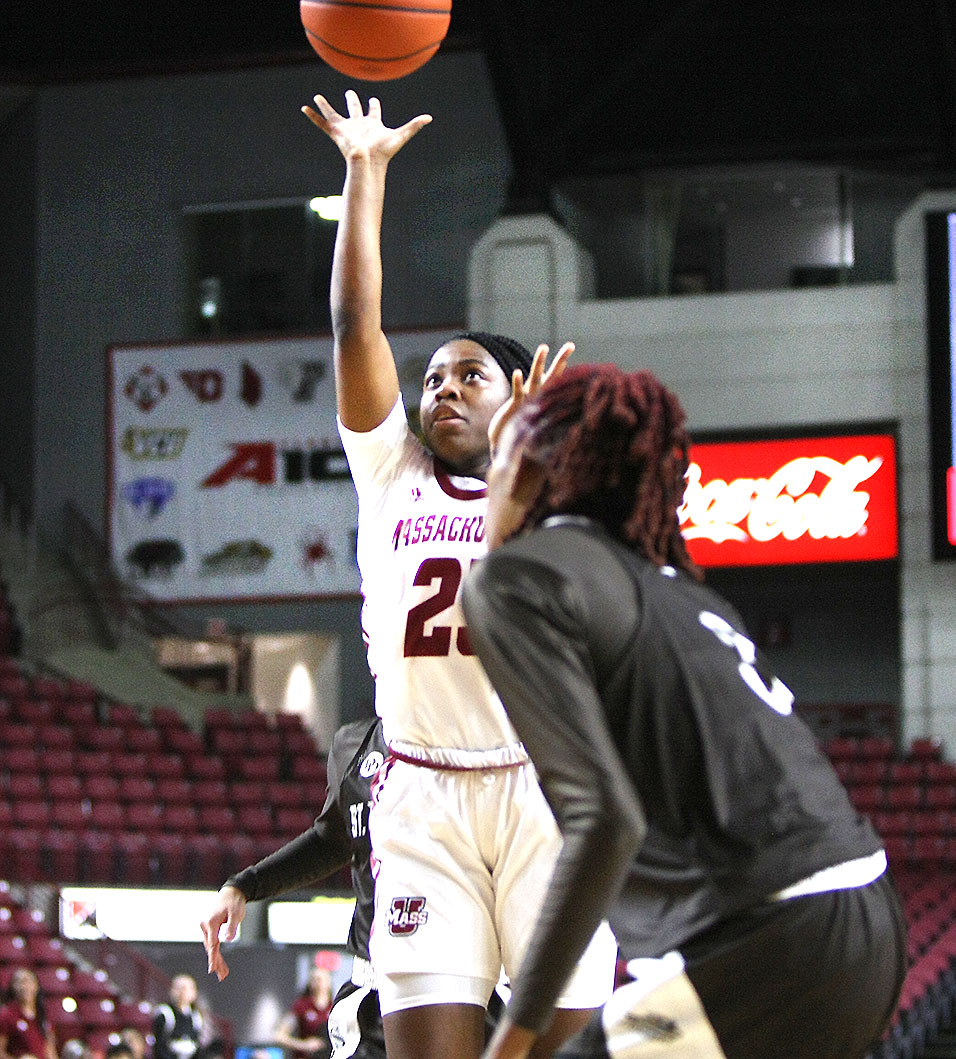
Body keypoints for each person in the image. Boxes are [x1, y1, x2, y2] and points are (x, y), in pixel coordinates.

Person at [294, 88, 617, 1059]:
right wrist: (364, 173)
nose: (440, 389)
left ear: (515, 393)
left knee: (560, 1038)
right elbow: (356, 325)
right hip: (421, 789)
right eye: (432, 377)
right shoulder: (391, 470)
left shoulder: (559, 495)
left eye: (466, 375)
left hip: (534, 787)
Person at [460, 362, 909, 1059]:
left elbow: (605, 818)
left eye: (499, 458)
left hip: (769, 942)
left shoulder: (519, 579)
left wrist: (512, 1040)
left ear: (525, 471)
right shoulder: (680, 591)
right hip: (867, 925)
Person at [201, 718, 390, 1059]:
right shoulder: (353, 744)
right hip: (376, 985)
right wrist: (243, 886)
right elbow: (332, 840)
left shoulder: (481, 733)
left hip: (467, 978)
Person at [0, 968, 58, 1059]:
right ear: (13, 987)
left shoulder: (43, 1015)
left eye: (29, 981)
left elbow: (50, 1049)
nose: (24, 987)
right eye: (20, 982)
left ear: (36, 985)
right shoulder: (7, 1015)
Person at [274, 968, 332, 1059]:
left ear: (329, 982)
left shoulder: (335, 1007)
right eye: (313, 979)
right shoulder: (301, 1006)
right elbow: (279, 1036)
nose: (317, 983)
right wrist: (303, 1045)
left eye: (320, 979)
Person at [151, 976, 203, 1059]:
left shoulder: (196, 1017)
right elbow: (158, 1045)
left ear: (194, 993)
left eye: (185, 988)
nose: (181, 992)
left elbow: (197, 1043)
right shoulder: (165, 1013)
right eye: (178, 988)